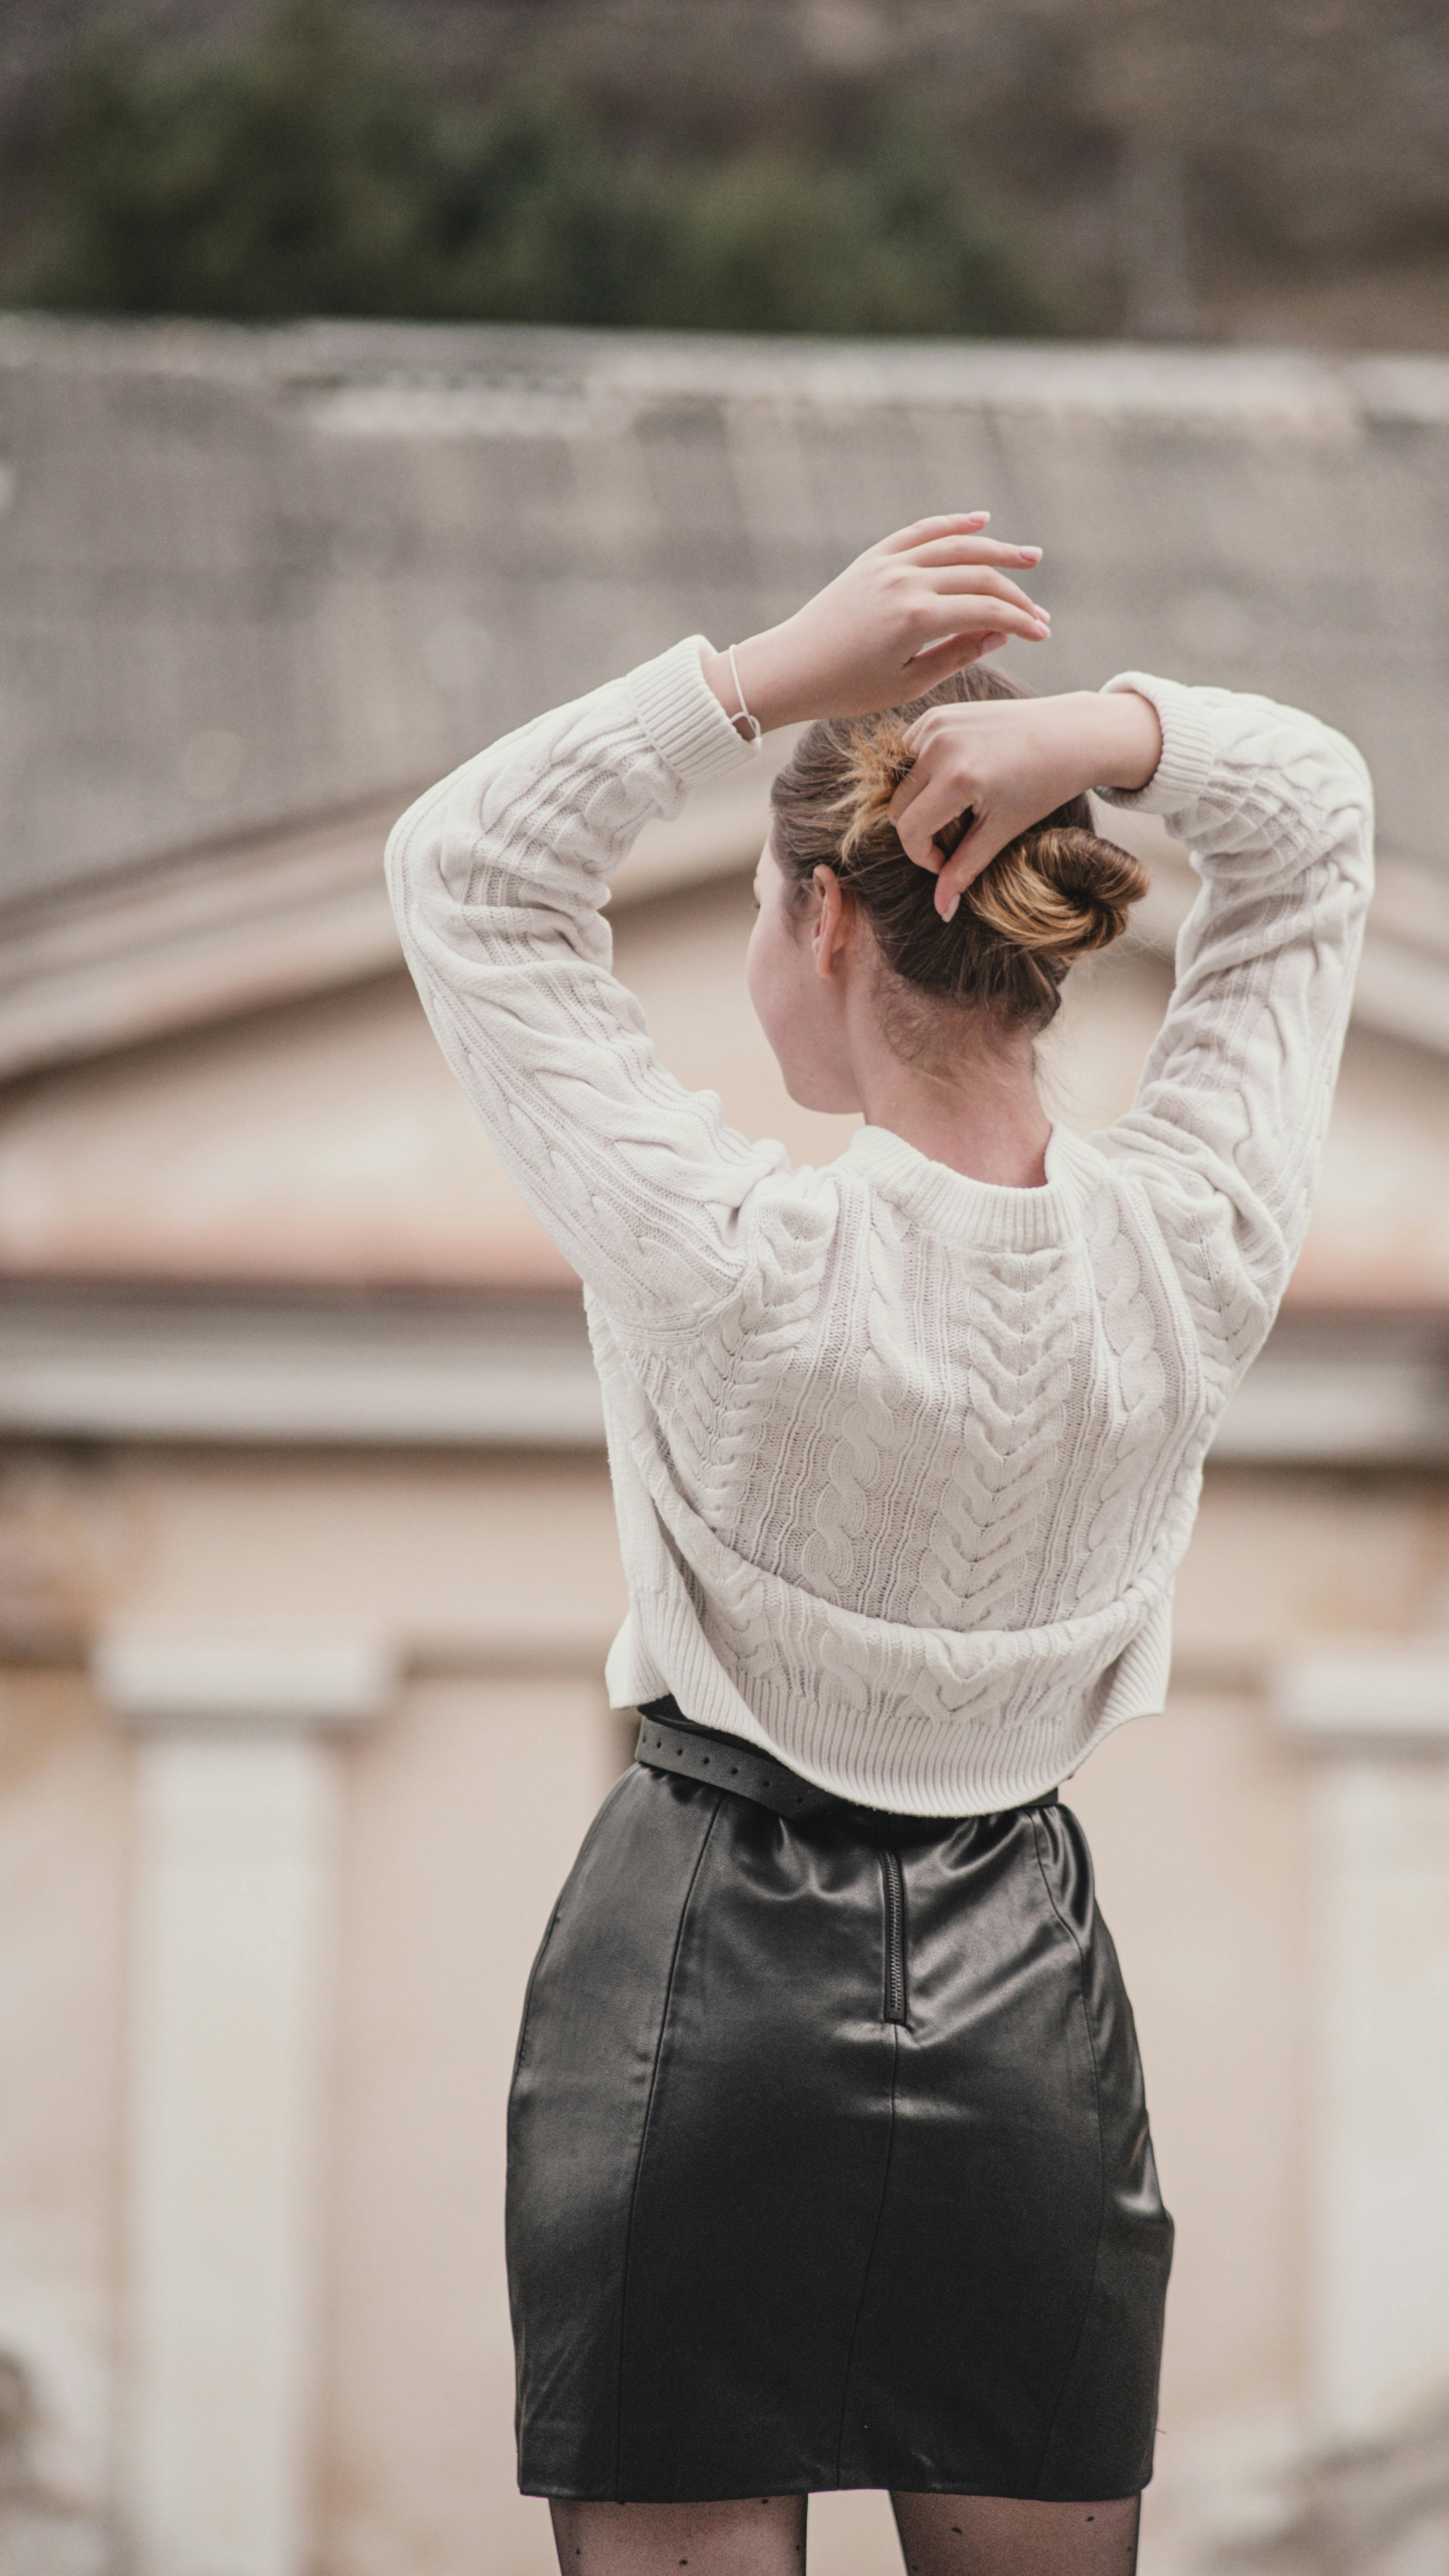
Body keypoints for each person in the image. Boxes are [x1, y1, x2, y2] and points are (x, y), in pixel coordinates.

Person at [386, 515, 1373, 2576]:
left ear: (825, 927)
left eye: (756, 915)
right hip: (1026, 1981)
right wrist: (1100, 732)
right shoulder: (1189, 1251)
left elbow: (467, 870)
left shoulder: (728, 1251)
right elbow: (1314, 825)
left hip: (689, 1987)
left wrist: (762, 668)